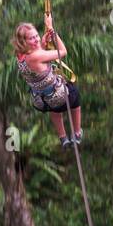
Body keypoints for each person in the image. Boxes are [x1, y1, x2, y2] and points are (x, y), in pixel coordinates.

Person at [13, 16, 83, 148]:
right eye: (32, 38)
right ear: (24, 41)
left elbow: (38, 55)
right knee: (75, 98)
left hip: (42, 102)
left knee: (53, 105)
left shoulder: (20, 55)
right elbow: (62, 52)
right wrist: (52, 31)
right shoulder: (36, 56)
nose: (36, 39)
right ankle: (77, 133)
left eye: (36, 36)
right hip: (60, 99)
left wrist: (42, 43)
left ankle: (63, 138)